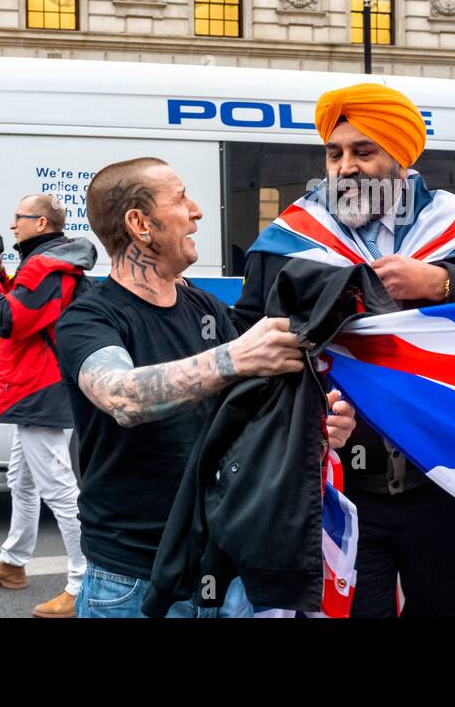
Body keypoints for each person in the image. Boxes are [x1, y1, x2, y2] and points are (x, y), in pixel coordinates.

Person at [233, 82, 455, 619]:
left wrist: (441, 282)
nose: (346, 167)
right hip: (339, 484)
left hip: (448, 483)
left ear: (401, 158)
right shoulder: (291, 237)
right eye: (334, 154)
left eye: (364, 151)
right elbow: (249, 345)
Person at [54, 156, 356, 618]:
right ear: (140, 223)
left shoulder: (206, 308)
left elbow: (250, 417)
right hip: (132, 580)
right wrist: (234, 357)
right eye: (179, 198)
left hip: (222, 570)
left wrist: (318, 427)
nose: (196, 210)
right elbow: (121, 396)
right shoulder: (89, 318)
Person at [0, 195, 96, 619]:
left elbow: (8, 321)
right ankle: (13, 563)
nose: (13, 224)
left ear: (41, 222)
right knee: (20, 480)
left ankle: (82, 583)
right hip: (38, 384)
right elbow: (25, 310)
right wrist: (1, 273)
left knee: (58, 486)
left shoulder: (44, 266)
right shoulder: (47, 263)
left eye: (19, 218)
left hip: (38, 386)